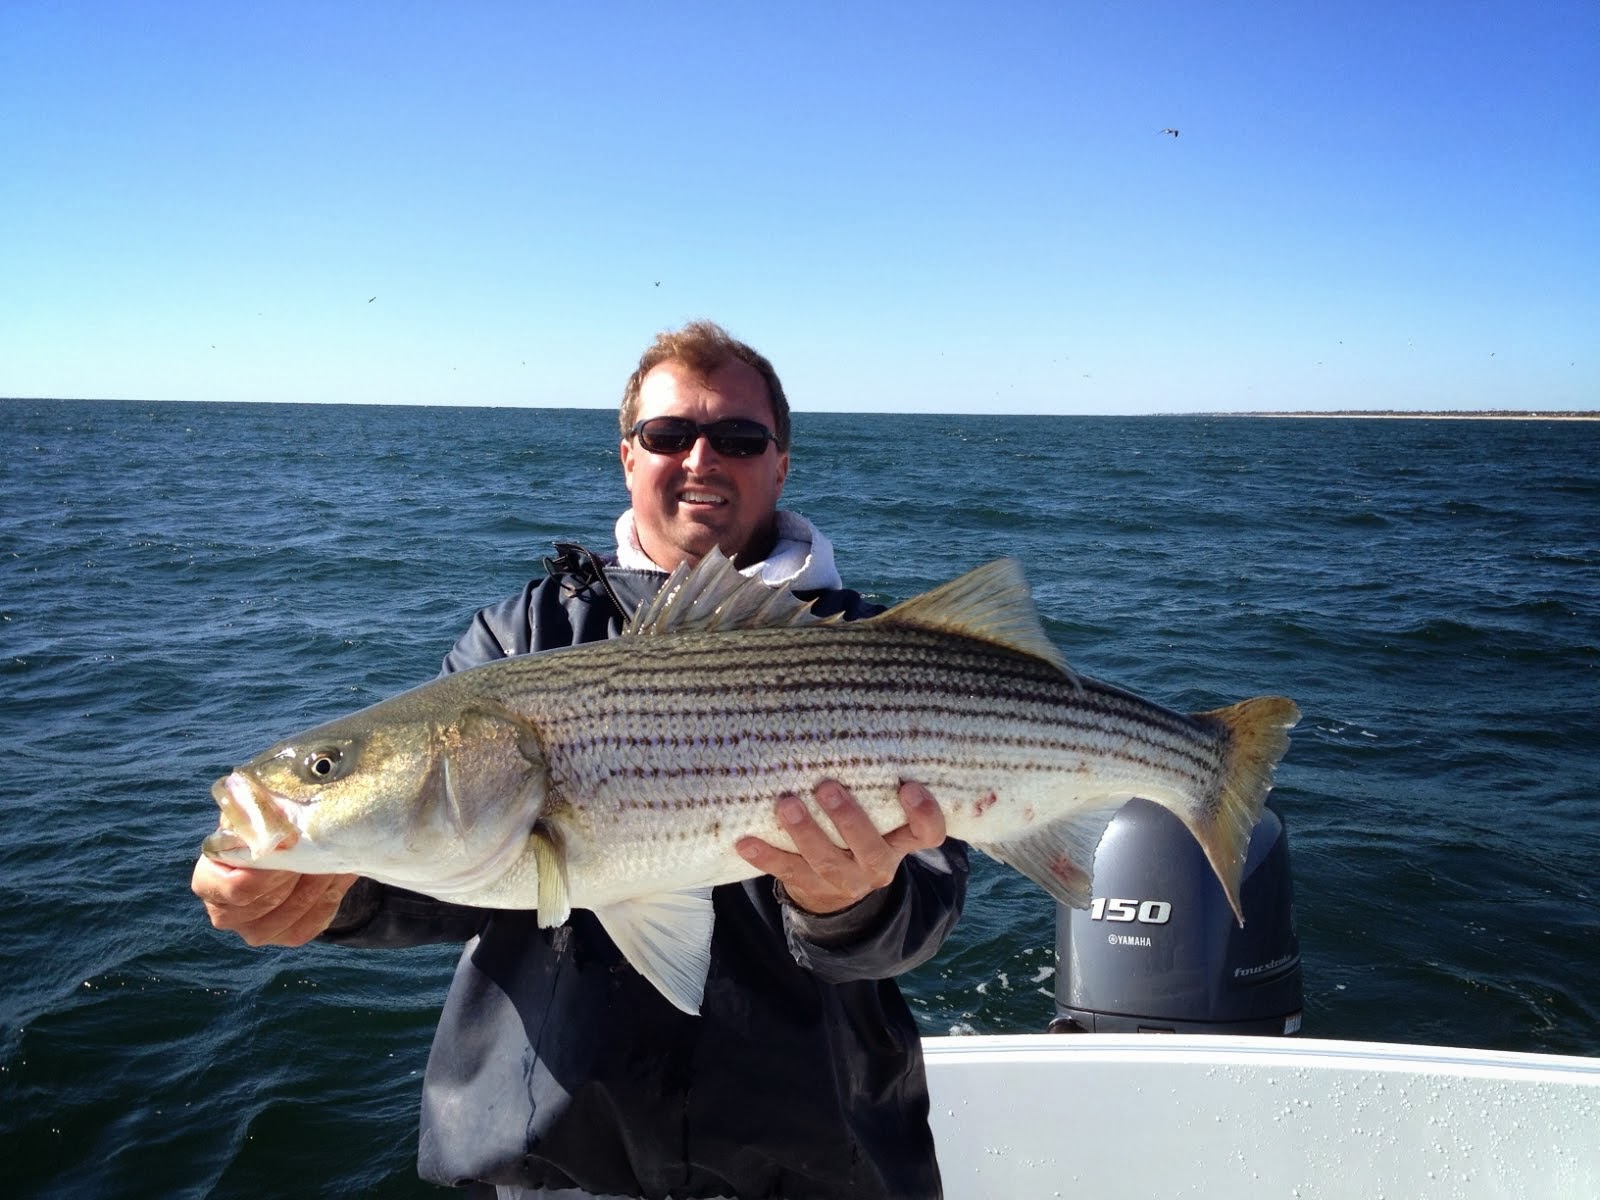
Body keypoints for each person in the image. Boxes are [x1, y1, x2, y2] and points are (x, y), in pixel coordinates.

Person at [191, 320, 970, 1200]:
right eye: (669, 435)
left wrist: (849, 907)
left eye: (740, 438)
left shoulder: (885, 655)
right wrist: (330, 890)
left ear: (781, 462)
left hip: (826, 1165)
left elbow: (926, 913)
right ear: (627, 457)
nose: (701, 459)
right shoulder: (520, 640)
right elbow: (453, 868)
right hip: (552, 1167)